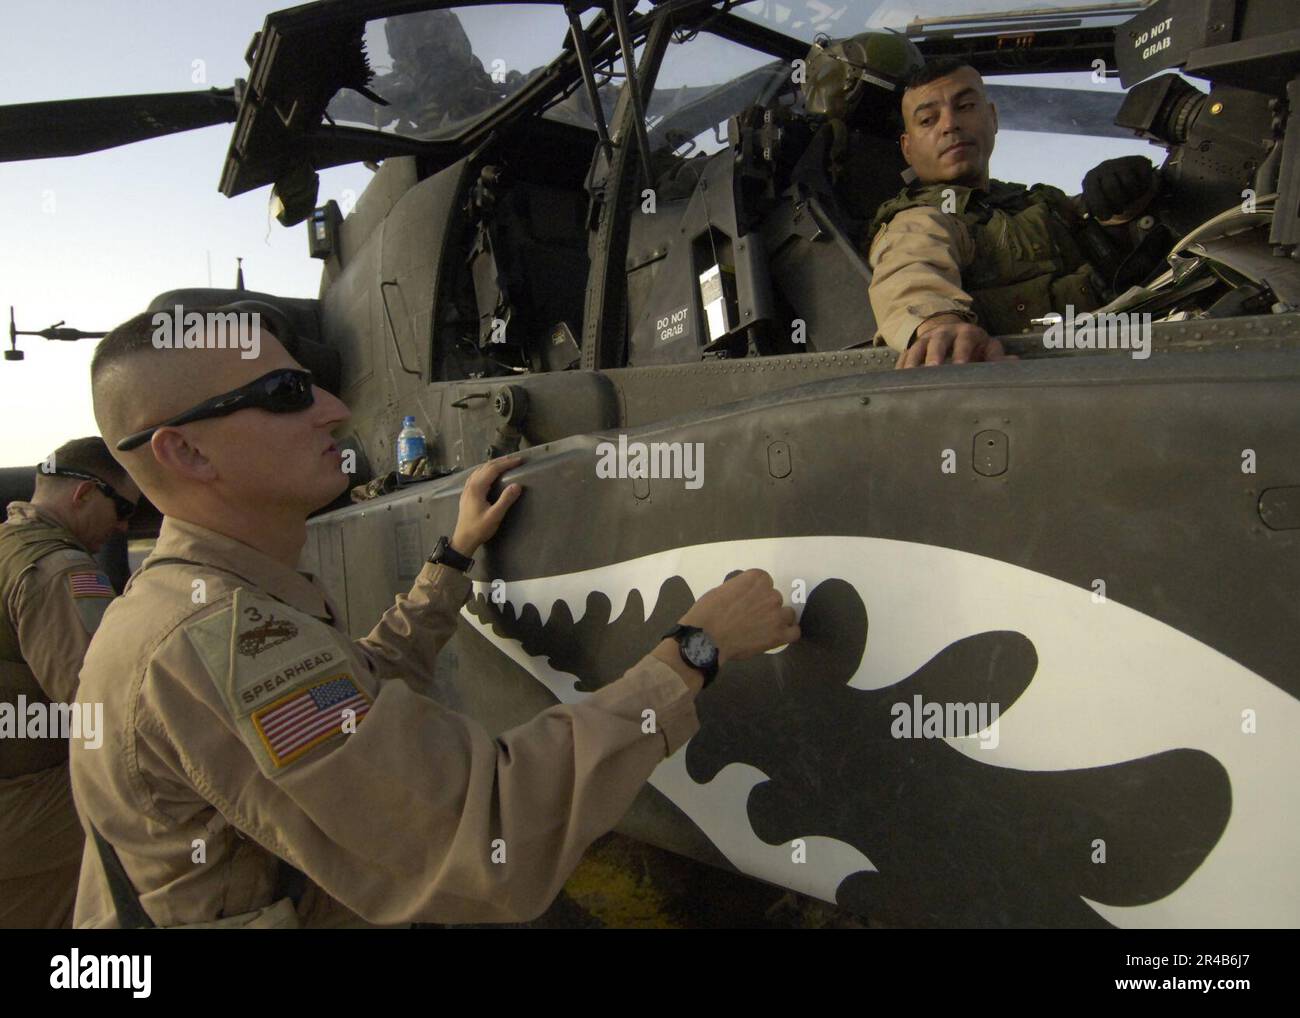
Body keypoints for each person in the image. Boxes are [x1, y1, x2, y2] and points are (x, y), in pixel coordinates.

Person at [73, 308, 800, 928]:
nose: (335, 409)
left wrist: (453, 557)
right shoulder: (219, 641)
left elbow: (360, 688)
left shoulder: (197, 602)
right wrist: (694, 651)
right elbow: (490, 832)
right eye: (287, 392)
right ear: (186, 449)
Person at [865, 58, 1159, 368]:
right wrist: (939, 328)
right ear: (907, 148)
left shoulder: (1032, 202)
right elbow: (911, 270)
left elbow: (1100, 223)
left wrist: (1124, 192)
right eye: (928, 120)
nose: (949, 124)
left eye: (965, 106)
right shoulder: (921, 219)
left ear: (992, 118)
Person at [0, 437, 138, 927]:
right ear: (83, 495)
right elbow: (101, 709)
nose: (123, 526)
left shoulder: (8, 548)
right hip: (32, 803)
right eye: (122, 508)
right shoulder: (61, 569)